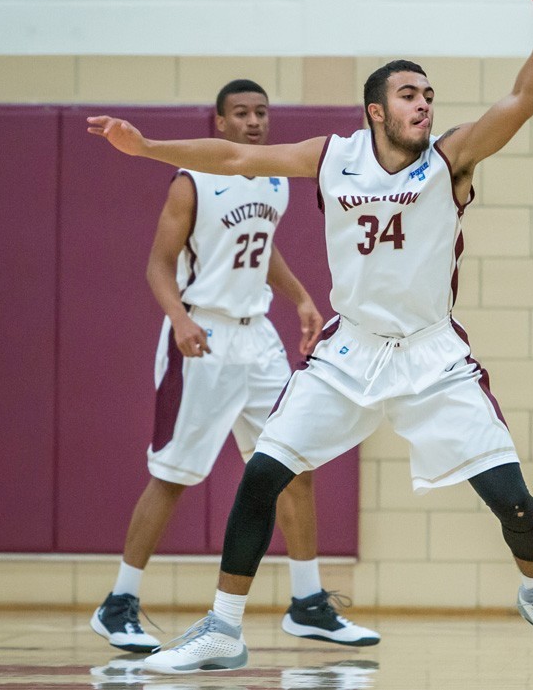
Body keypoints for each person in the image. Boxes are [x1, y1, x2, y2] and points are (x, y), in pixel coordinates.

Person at [87, 0, 533, 673]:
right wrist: (147, 148)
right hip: (348, 352)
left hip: (431, 356)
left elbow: (524, 99)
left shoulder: (451, 160)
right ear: (376, 111)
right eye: (408, 94)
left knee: (517, 506)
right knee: (263, 474)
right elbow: (231, 155)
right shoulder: (333, 157)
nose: (424, 104)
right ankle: (224, 625)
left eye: (429, 95)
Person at [89, 78, 380, 654]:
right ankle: (118, 602)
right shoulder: (190, 182)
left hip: (258, 339)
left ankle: (308, 602)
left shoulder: (274, 178)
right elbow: (158, 265)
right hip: (202, 334)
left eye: (261, 113)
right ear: (219, 123)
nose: (253, 122)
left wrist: (299, 296)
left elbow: (261, 247)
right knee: (173, 475)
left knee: (294, 463)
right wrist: (179, 319)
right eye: (240, 114)